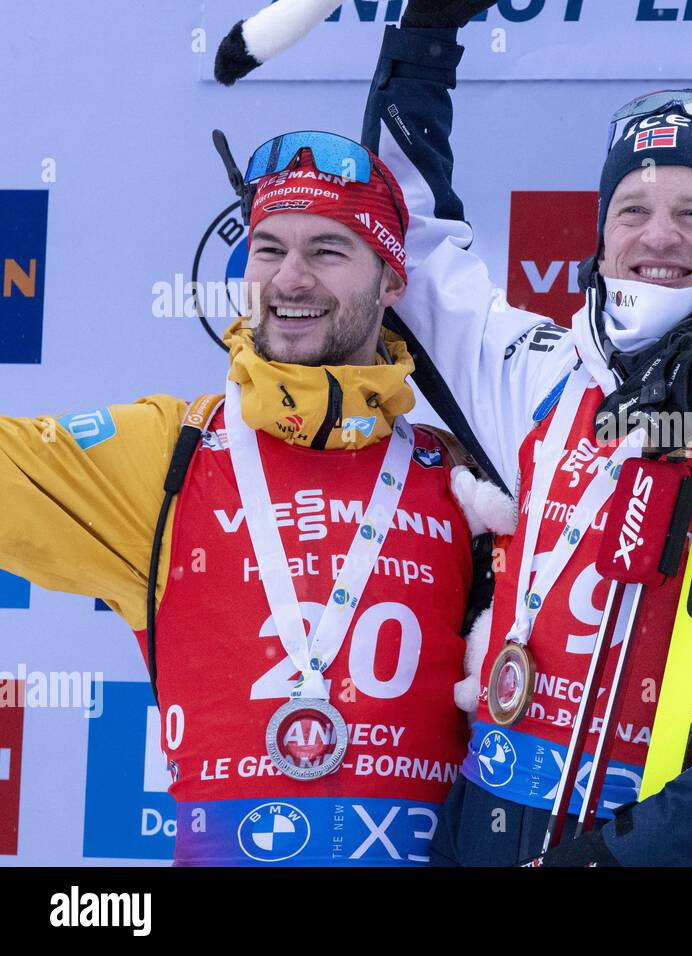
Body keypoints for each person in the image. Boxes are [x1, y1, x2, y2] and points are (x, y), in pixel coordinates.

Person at [362, 3, 692, 866]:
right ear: (600, 237)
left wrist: (638, 851)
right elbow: (415, 245)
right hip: (494, 827)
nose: (658, 237)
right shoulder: (541, 372)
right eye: (632, 209)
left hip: (673, 848)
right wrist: (422, 48)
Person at [0, 131, 501, 865]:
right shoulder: (169, 452)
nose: (289, 278)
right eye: (268, 249)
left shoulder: (459, 472)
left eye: (328, 250)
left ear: (393, 280)